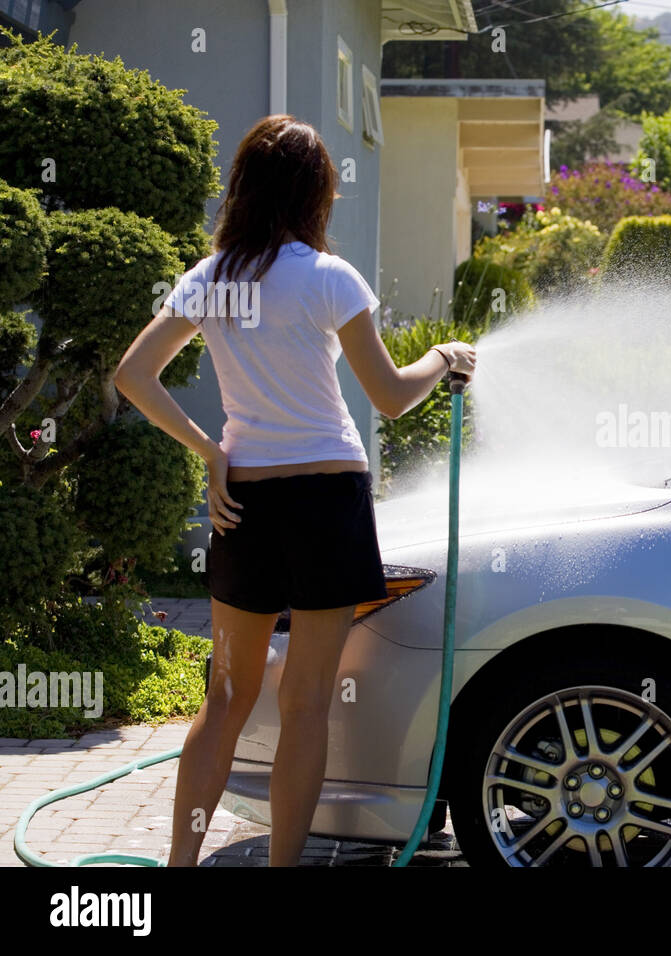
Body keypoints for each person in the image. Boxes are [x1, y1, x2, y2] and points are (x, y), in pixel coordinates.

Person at [112, 114, 475, 866]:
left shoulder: (210, 279)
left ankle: (178, 867)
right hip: (326, 500)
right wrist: (445, 356)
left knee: (224, 699)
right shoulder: (327, 277)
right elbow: (391, 397)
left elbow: (132, 376)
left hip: (245, 501)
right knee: (306, 700)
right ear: (317, 193)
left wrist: (208, 450)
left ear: (243, 185)